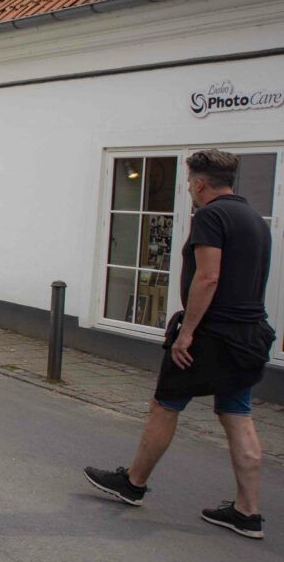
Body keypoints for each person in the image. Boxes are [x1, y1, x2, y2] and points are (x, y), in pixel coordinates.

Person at [85, 149, 275, 539]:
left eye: (189, 181)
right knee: (237, 415)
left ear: (201, 183)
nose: (188, 187)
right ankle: (248, 511)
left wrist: (187, 333)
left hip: (211, 336)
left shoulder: (210, 216)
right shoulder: (255, 219)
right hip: (249, 334)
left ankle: (133, 483)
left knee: (164, 405)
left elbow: (208, 278)